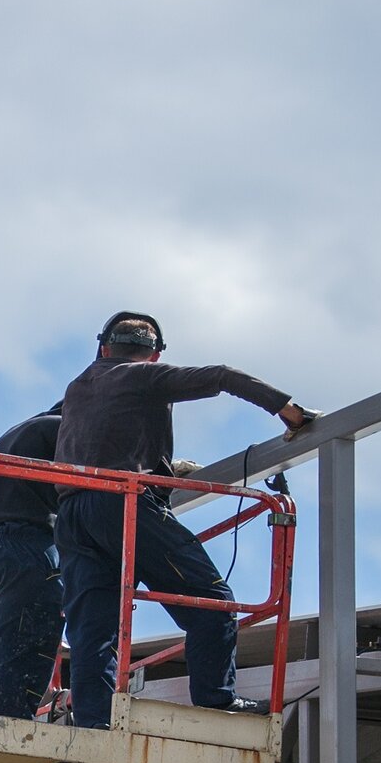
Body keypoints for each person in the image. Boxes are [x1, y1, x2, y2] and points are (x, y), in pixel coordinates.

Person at [53, 310, 314, 727]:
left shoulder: (78, 387)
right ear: (153, 356)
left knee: (94, 628)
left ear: (103, 347)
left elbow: (104, 436)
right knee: (213, 602)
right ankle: (217, 697)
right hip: (123, 506)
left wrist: (164, 469)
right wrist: (288, 409)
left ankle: (93, 721)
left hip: (72, 515)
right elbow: (222, 376)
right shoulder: (141, 377)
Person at [0, 405, 66, 718]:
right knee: (17, 677)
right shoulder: (71, 429)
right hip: (26, 546)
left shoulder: (24, 429)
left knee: (2, 669)